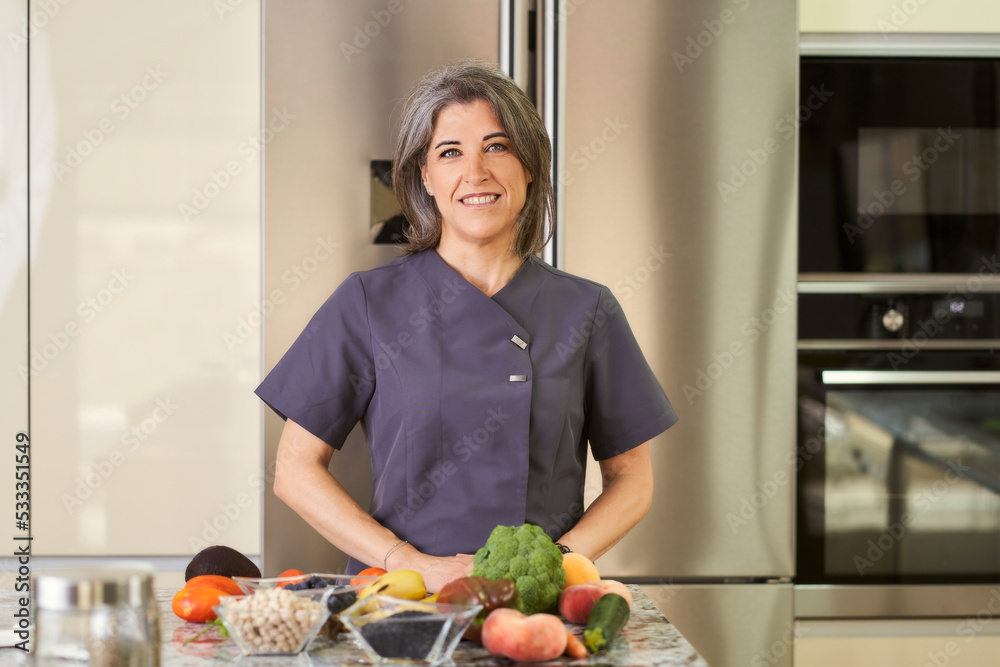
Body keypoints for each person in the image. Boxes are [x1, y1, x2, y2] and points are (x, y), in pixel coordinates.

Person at [255, 62, 677, 593]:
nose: (475, 172)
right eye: (450, 152)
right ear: (425, 177)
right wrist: (408, 560)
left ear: (529, 168)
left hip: (536, 605)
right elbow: (295, 471)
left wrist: (558, 560)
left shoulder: (587, 309)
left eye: (497, 147)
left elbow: (633, 479)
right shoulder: (368, 302)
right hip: (401, 600)